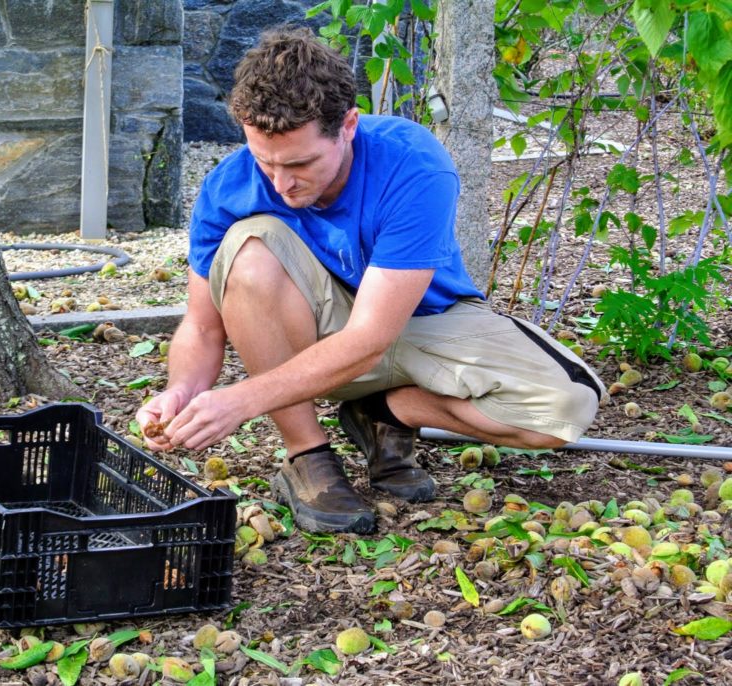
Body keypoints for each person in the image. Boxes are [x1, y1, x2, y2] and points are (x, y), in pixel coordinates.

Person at [136, 27, 606, 535]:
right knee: (250, 249)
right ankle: (307, 456)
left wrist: (242, 399)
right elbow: (203, 328)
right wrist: (181, 390)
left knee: (566, 406)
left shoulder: (412, 163)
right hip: (316, 331)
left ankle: (383, 412)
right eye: (264, 161)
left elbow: (370, 337)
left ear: (349, 126)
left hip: (422, 319)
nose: (281, 182)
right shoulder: (228, 185)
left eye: (300, 163)